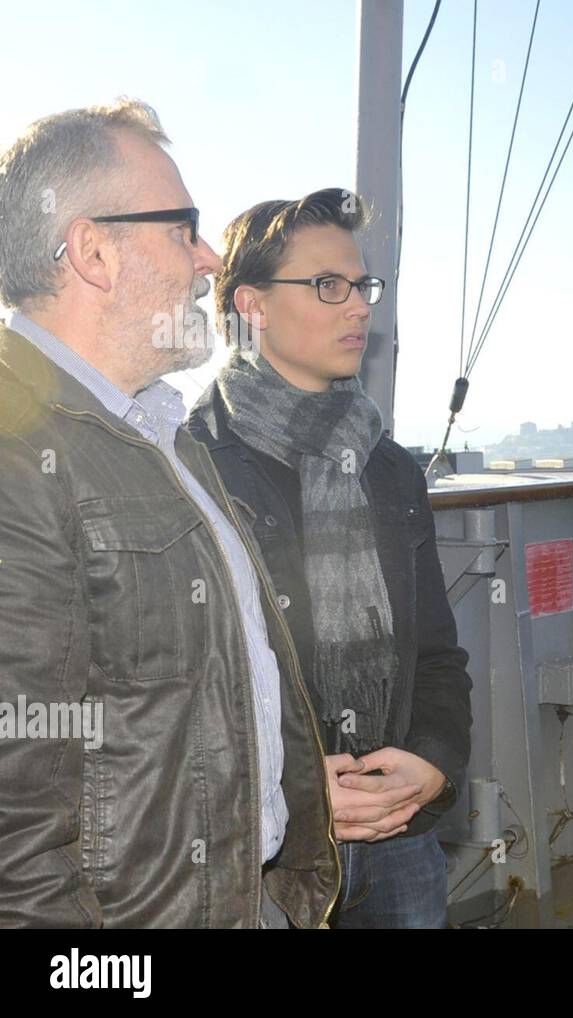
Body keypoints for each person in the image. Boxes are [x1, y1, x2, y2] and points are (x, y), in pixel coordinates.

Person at [0, 100, 338, 928]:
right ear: (93, 252)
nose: (206, 258)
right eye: (182, 227)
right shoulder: (18, 454)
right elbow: (15, 837)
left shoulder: (159, 430)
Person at [185, 188, 473, 929]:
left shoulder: (389, 468)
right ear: (251, 305)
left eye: (362, 286)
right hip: (266, 853)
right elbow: (179, 693)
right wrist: (296, 788)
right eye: (327, 286)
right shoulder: (189, 467)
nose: (358, 307)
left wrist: (433, 766)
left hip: (399, 833)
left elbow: (438, 655)